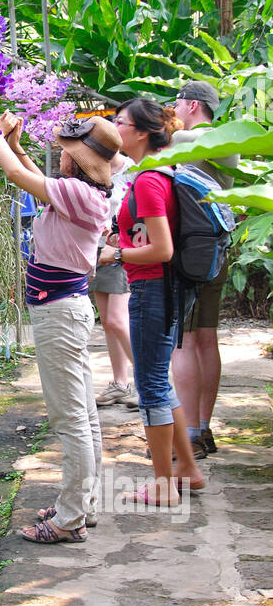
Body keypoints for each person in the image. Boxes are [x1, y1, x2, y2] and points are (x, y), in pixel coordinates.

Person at [0, 109, 121, 544]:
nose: (59, 156)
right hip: (67, 310)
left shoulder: (80, 196)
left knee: (71, 421)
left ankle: (69, 520)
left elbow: (14, 175)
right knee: (83, 415)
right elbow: (34, 180)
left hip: (59, 316)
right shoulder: (84, 192)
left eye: (66, 151)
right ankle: (83, 504)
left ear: (77, 162)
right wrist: (17, 144)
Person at [97, 99, 206, 507]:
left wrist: (116, 255)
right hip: (160, 290)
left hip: (152, 291)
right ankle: (187, 471)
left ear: (142, 132)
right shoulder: (158, 172)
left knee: (152, 389)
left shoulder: (148, 180)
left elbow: (161, 248)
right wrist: (122, 240)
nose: (114, 128)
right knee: (160, 384)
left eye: (119, 123)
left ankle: (163, 485)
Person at [167, 81, 239, 460]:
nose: (172, 109)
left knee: (186, 342)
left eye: (176, 103)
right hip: (217, 247)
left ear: (192, 105)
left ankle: (190, 432)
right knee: (208, 339)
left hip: (190, 254)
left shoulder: (187, 142)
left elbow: (156, 147)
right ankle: (204, 427)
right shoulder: (228, 141)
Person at [91, 150, 137, 408]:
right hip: (97, 249)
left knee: (119, 321)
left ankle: (149, 383)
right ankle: (120, 384)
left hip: (122, 250)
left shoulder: (134, 170)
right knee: (108, 322)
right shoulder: (92, 169)